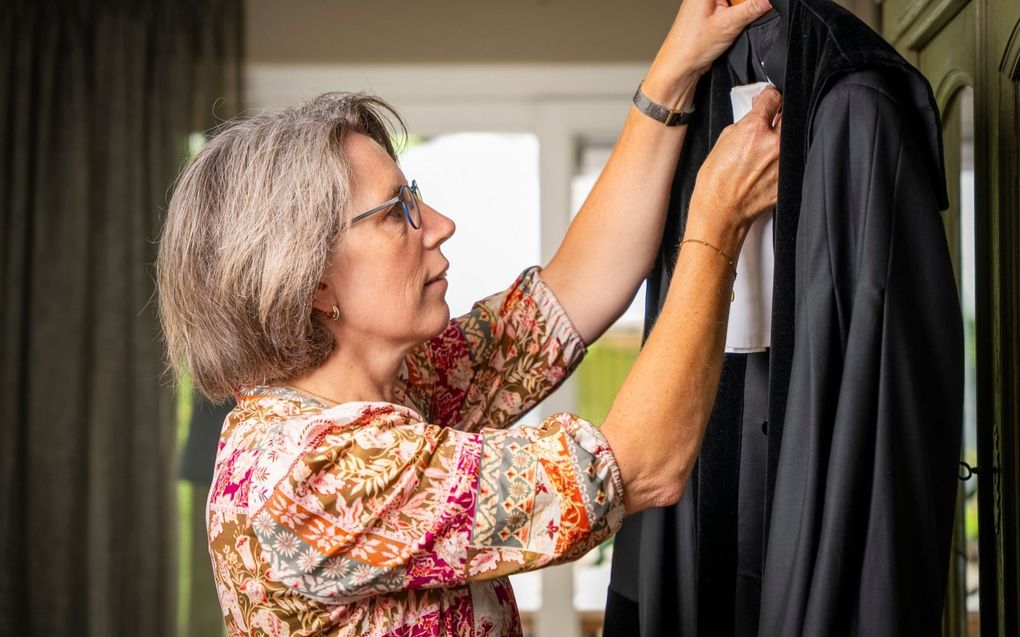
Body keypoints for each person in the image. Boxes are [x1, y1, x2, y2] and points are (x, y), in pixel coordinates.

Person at [156, 0, 781, 633]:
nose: (440, 226)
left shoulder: (400, 390)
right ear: (313, 281)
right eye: (397, 211)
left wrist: (671, 74)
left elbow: (567, 295)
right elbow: (640, 465)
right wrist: (718, 221)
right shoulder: (313, 473)